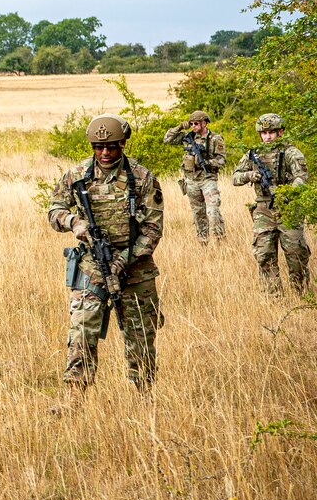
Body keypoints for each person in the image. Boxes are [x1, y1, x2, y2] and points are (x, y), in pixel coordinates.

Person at [47, 114, 164, 402]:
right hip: (92, 266)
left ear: (122, 144)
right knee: (81, 330)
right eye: (98, 147)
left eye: (111, 146)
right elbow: (54, 210)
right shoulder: (77, 175)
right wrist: (74, 222)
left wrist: (123, 259)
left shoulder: (142, 178)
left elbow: (152, 230)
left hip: (135, 269)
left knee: (140, 336)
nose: (105, 153)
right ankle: (74, 399)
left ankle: (145, 397)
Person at [232, 113, 311, 295]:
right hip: (263, 210)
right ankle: (273, 297)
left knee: (296, 254)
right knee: (264, 255)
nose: (267, 137)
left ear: (280, 132)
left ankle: (301, 294)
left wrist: (287, 192)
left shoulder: (291, 152)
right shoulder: (253, 154)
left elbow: (301, 178)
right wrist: (249, 175)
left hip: (288, 208)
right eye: (264, 133)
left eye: (271, 133)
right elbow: (235, 177)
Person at [163, 110, 227, 243]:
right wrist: (180, 127)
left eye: (196, 123)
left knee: (213, 211)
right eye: (191, 123)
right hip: (191, 180)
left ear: (204, 123)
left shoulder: (215, 138)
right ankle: (203, 241)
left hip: (208, 178)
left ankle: (220, 239)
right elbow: (167, 139)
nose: (193, 126)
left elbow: (222, 160)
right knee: (198, 213)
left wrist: (206, 163)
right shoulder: (188, 137)